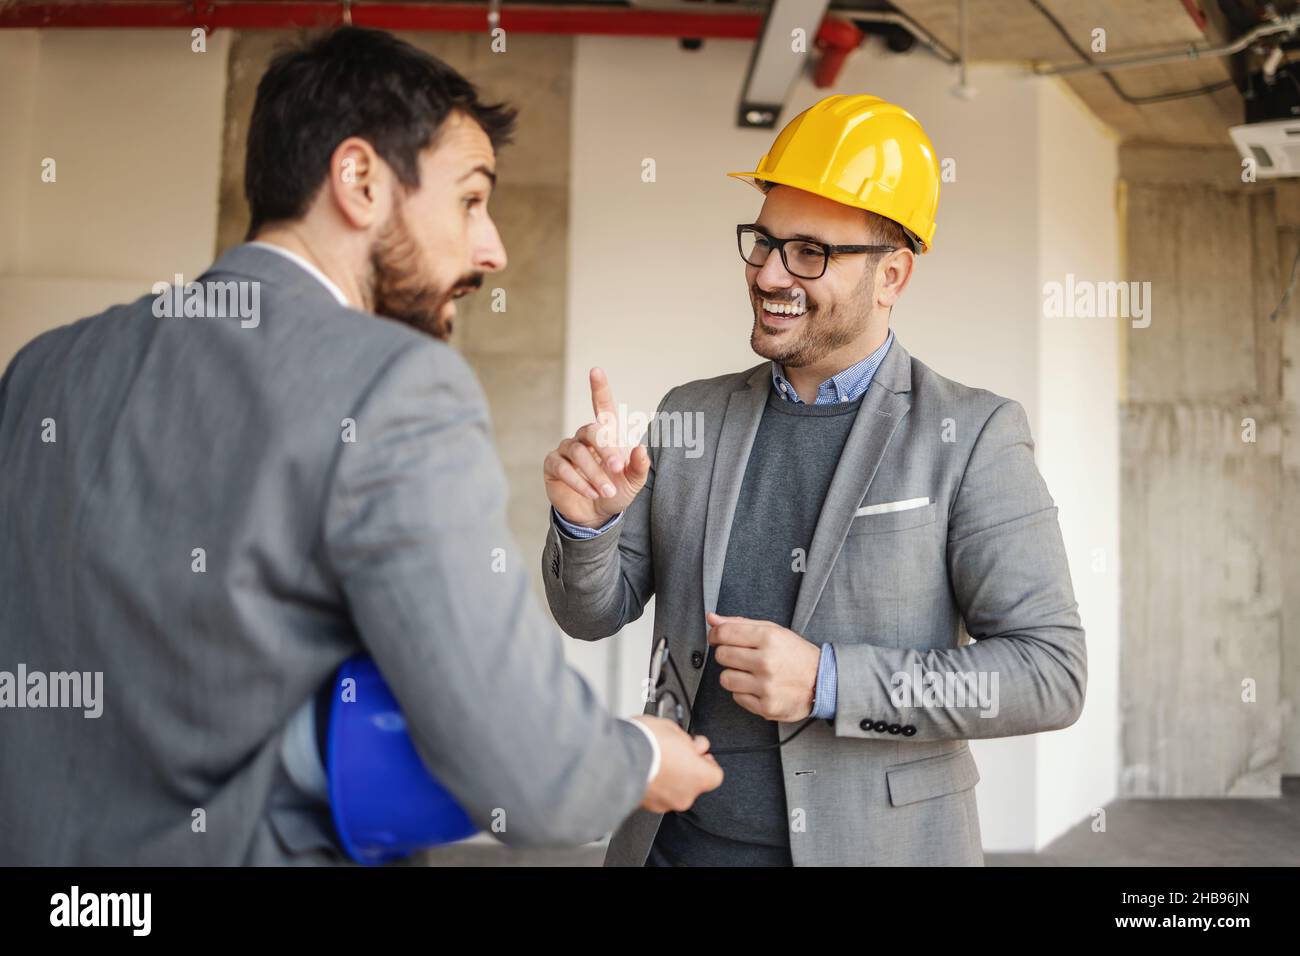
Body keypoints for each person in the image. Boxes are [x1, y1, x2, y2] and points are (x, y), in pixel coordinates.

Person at [0, 26, 721, 866]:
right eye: (470, 200)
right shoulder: (399, 385)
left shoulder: (45, 368)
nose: (492, 249)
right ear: (359, 180)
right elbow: (525, 772)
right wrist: (638, 757)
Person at [541, 94, 1087, 866]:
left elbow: (1048, 674)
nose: (768, 273)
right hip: (676, 848)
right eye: (762, 241)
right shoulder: (688, 414)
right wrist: (586, 527)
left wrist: (830, 681)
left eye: (809, 252)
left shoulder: (973, 436)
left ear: (892, 274)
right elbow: (591, 615)